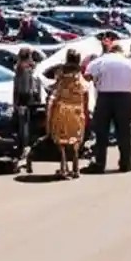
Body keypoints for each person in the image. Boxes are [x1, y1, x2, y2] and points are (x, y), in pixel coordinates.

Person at [84, 42, 131, 174]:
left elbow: (87, 76)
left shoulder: (100, 61)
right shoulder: (129, 63)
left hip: (105, 97)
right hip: (125, 97)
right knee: (124, 132)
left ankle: (99, 163)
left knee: (102, 132)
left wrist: (97, 79)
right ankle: (126, 163)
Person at [46, 49, 90, 179]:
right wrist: (86, 110)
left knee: (61, 140)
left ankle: (63, 168)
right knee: (76, 139)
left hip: (62, 109)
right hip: (77, 110)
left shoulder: (61, 74)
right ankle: (76, 168)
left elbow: (55, 90)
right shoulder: (79, 74)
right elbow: (85, 91)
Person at [11, 47, 40, 174]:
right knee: (25, 128)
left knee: (24, 127)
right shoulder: (26, 71)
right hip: (27, 101)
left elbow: (17, 89)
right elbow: (28, 89)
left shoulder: (21, 70)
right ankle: (26, 150)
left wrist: (15, 103)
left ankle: (25, 150)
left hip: (24, 101)